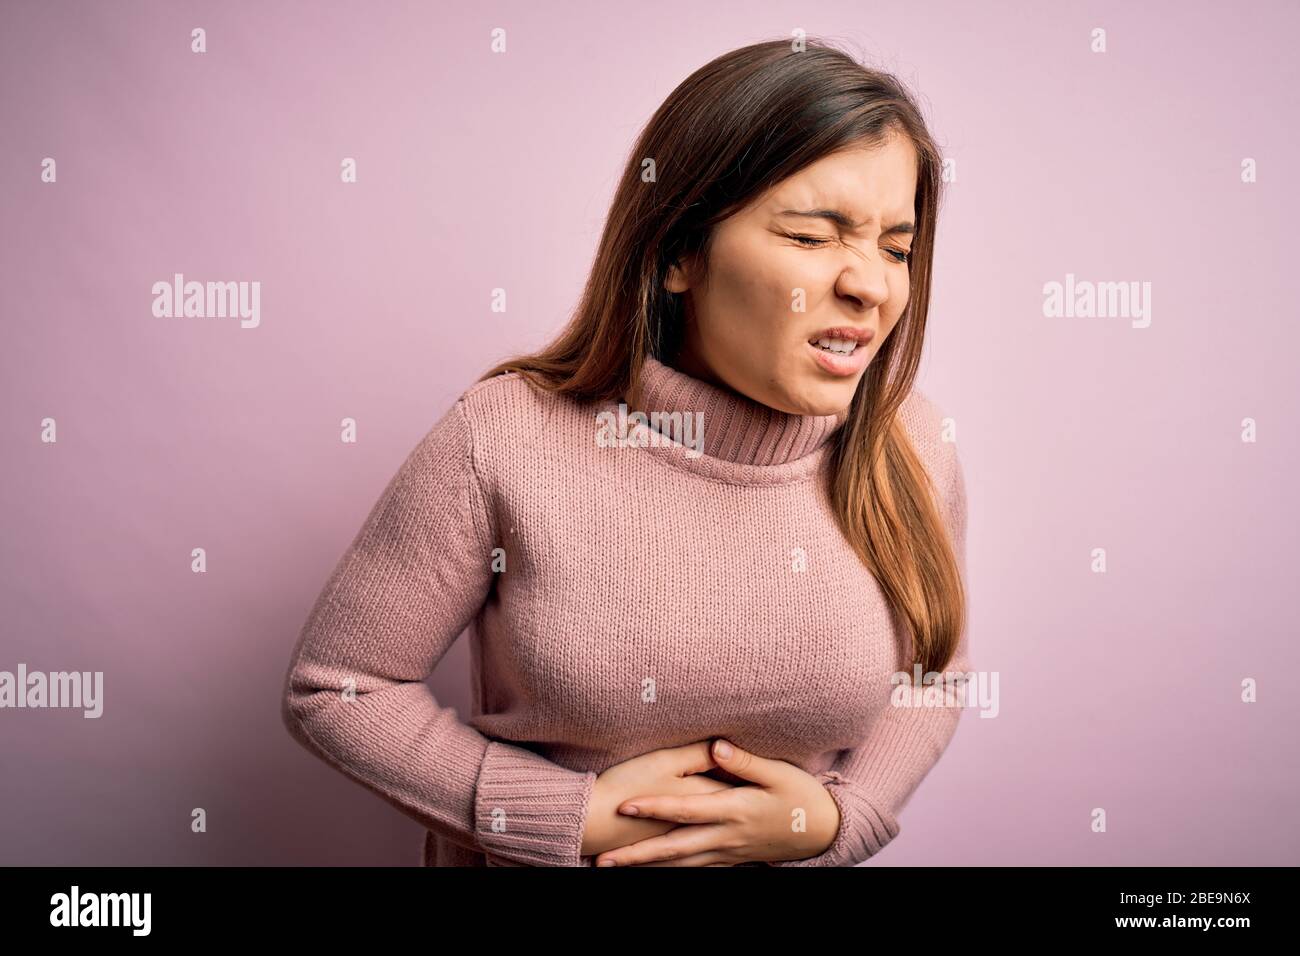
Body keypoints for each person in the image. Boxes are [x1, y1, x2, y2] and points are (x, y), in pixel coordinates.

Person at [280, 36, 972, 867]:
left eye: (896, 248)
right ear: (679, 252)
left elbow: (935, 674)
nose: (870, 285)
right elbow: (338, 687)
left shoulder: (914, 446)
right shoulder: (502, 436)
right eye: (811, 238)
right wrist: (562, 817)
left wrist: (838, 820)